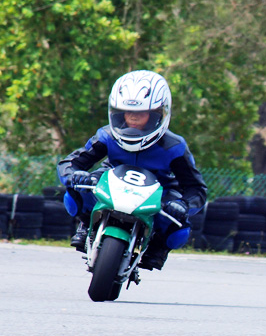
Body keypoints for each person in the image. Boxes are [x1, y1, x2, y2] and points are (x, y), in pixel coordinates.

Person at [57, 70, 207, 271]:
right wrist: (73, 175)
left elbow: (196, 188)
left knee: (179, 228)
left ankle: (158, 248)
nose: (133, 119)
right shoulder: (106, 136)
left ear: (158, 114)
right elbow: (71, 162)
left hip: (159, 190)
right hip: (111, 180)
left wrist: (183, 205)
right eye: (128, 113)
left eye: (141, 113)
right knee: (73, 194)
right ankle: (86, 224)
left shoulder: (175, 147)